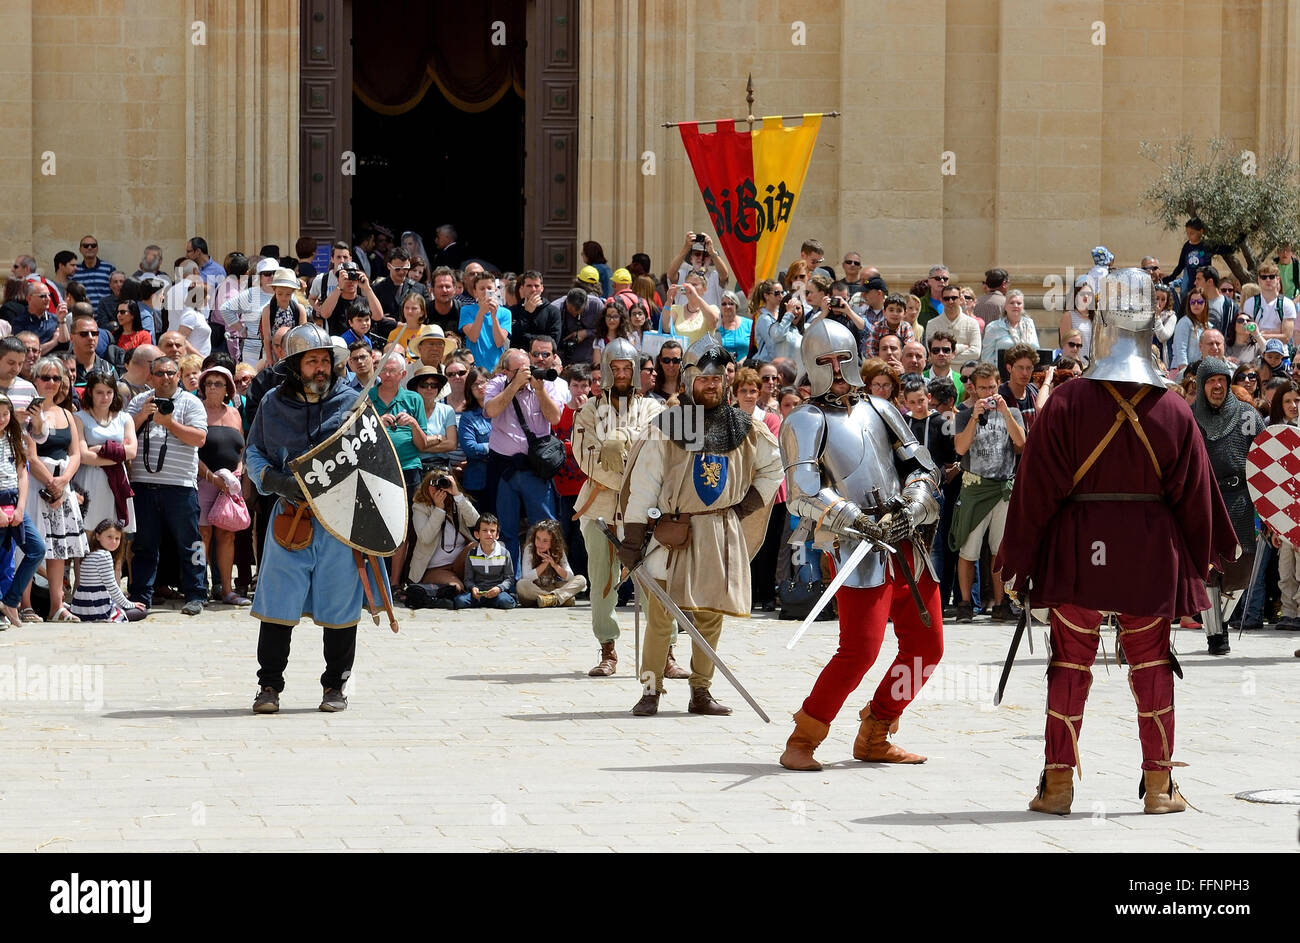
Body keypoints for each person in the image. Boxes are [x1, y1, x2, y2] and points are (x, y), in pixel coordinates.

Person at [995, 267, 1238, 816]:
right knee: (1152, 665)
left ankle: (1058, 787)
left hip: (1079, 551)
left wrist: (1018, 560)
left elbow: (1034, 493)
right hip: (1148, 556)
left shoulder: (1065, 403)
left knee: (1069, 664)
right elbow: (1196, 496)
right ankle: (1159, 788)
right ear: (1151, 329)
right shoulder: (1174, 407)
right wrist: (1205, 557)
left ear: (1100, 326)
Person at [776, 318, 942, 769]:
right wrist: (855, 519)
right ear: (811, 366)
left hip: (908, 540)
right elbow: (803, 492)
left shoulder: (881, 408)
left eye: (843, 359)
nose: (835, 368)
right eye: (824, 362)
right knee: (859, 651)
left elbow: (921, 465)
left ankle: (878, 729)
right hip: (857, 547)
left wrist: (914, 502)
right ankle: (803, 739)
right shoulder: (804, 420)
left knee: (928, 648)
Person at [618, 335, 783, 716]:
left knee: (709, 615)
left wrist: (742, 509)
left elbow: (772, 470)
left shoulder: (745, 427)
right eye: (703, 378)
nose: (711, 384)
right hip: (673, 533)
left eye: (717, 378)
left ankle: (700, 691)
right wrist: (633, 537)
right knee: (661, 617)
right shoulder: (670, 425)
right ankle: (650, 689)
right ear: (689, 379)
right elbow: (645, 483)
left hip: (718, 532)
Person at [246, 324, 389, 714]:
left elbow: (374, 457)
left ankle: (335, 688)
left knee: (341, 609)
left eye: (325, 360)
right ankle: (269, 687)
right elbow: (254, 453)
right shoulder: (273, 405)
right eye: (312, 361)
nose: (321, 368)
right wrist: (273, 479)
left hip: (341, 519)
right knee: (276, 606)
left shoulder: (351, 401)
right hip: (290, 517)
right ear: (296, 366)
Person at [572, 338, 664, 675]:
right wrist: (626, 468)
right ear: (607, 371)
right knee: (603, 581)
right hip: (600, 505)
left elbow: (655, 450)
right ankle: (608, 650)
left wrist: (620, 441)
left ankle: (664, 652)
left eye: (628, 368)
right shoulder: (588, 411)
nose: (622, 374)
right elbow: (586, 457)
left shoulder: (653, 409)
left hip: (643, 506)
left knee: (656, 579)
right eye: (617, 369)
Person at [1191, 356, 1258, 656]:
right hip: (1204, 500)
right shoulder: (1189, 417)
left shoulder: (1248, 416)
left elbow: (1265, 463)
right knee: (1208, 571)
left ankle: (1221, 620)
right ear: (1201, 385)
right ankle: (1216, 634)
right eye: (1211, 381)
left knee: (1240, 572)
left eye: (1222, 380)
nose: (1217, 386)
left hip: (1241, 498)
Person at [950, 362, 1025, 622]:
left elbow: (1021, 443)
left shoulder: (1012, 411)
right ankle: (964, 603)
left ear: (998, 385)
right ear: (973, 388)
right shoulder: (962, 413)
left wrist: (1004, 413)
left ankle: (1001, 604)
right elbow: (960, 448)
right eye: (982, 388)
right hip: (975, 488)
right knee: (968, 550)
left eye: (992, 387)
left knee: (999, 552)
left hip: (1003, 488)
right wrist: (974, 416)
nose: (988, 392)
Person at [482, 348, 563, 572]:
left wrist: (540, 392)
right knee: (505, 529)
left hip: (535, 469)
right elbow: (491, 410)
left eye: (526, 369)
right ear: (506, 371)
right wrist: (514, 385)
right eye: (518, 371)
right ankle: (511, 579)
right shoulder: (497, 384)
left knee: (544, 527)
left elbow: (555, 417)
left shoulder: (546, 384)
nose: (525, 374)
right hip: (504, 468)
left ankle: (545, 577)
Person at [21, 357, 88, 620]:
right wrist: (52, 482)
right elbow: (31, 456)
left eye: (56, 378)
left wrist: (64, 482)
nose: (50, 383)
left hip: (63, 486)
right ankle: (25, 604)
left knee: (59, 549)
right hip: (38, 485)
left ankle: (56, 606)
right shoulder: (30, 414)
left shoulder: (67, 414)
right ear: (35, 379)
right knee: (32, 545)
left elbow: (75, 454)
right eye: (45, 377)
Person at [369, 352, 430, 590]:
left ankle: (394, 581)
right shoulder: (369, 398)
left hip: (407, 468)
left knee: (402, 528)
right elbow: (355, 438)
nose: (385, 375)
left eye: (391, 371)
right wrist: (375, 423)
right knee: (376, 525)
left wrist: (413, 424)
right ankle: (377, 581)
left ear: (403, 374)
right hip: (377, 469)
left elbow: (423, 444)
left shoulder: (413, 399)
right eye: (382, 370)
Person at [194, 366, 249, 606]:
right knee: (202, 534)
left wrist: (237, 472)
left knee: (227, 536)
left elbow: (241, 447)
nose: (213, 387)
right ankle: (199, 589)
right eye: (209, 383)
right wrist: (211, 477)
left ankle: (227, 590)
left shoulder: (235, 413)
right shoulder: (196, 411)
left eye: (218, 383)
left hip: (230, 484)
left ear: (228, 388)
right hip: (203, 481)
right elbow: (191, 450)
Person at [0, 394, 46, 627]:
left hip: (14, 501)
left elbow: (22, 474)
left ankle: (10, 600)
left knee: (37, 549)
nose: (2, 419)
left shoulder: (14, 436)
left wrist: (20, 507)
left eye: (5, 414)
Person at [74, 371, 136, 538]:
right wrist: (117, 453)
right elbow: (84, 456)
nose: (105, 397)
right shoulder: (79, 418)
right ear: (90, 393)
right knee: (87, 534)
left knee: (115, 534)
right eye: (99, 392)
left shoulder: (124, 418)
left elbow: (131, 452)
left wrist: (99, 449)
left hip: (117, 480)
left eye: (109, 392)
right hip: (89, 479)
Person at [406, 468, 479, 610]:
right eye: (434, 484)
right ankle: (441, 595)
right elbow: (425, 538)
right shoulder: (420, 507)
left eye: (443, 483)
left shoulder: (457, 503)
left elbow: (475, 522)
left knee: (476, 546)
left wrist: (457, 495)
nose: (439, 487)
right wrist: (439, 509)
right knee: (455, 588)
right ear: (426, 486)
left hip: (458, 564)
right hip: (434, 568)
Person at [66, 520, 146, 622]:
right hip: (97, 609)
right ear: (98, 536)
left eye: (117, 538)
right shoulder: (104, 555)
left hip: (81, 607)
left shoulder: (88, 553)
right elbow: (112, 586)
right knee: (142, 611)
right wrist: (129, 604)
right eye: (109, 537)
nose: (114, 542)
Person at [517, 519, 587, 607]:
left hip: (553, 587)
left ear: (553, 542)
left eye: (545, 541)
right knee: (521, 585)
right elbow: (526, 577)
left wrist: (554, 565)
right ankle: (559, 599)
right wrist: (544, 564)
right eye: (537, 538)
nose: (540, 544)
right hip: (534, 590)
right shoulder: (530, 549)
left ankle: (550, 600)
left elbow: (570, 576)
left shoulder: (558, 550)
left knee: (581, 580)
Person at [456, 513, 516, 610]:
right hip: (478, 593)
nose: (489, 534)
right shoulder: (472, 554)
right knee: (460, 601)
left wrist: (499, 588)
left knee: (505, 602)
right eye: (484, 530)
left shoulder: (504, 553)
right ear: (477, 534)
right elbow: (468, 579)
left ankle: (507, 599)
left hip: (497, 593)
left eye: (492, 531)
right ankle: (483, 602)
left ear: (497, 535)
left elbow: (509, 579)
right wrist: (473, 588)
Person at [459, 271, 511, 370]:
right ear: (475, 292)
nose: (486, 292)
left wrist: (493, 315)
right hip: (474, 369)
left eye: (489, 288)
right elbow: (473, 337)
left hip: (496, 369)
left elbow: (499, 342)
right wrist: (482, 311)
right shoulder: (466, 310)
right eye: (482, 289)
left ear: (495, 291)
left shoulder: (505, 313)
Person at [456, 367, 492, 509]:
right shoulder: (468, 417)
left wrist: (485, 449)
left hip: (503, 479)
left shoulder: (504, 411)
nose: (479, 387)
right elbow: (470, 448)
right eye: (474, 385)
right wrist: (496, 447)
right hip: (478, 481)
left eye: (483, 382)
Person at [980, 289, 1039, 365]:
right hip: (1003, 374)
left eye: (1019, 303)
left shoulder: (1029, 323)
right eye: (1012, 303)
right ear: (1005, 306)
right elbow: (986, 358)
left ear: (1023, 306)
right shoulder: (993, 327)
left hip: (1027, 372)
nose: (1015, 306)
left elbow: (1036, 349)